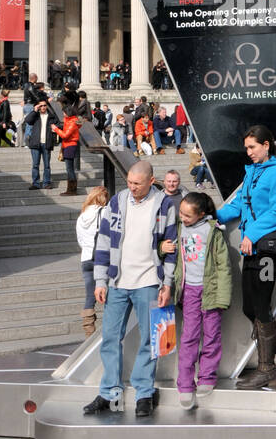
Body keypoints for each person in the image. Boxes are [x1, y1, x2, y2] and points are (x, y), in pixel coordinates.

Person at [83, 162, 177, 417]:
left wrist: (166, 283)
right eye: (129, 182)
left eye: (137, 183)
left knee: (151, 339)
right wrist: (100, 280)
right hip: (117, 282)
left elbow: (171, 247)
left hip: (149, 281)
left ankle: (144, 393)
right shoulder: (117, 201)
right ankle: (110, 392)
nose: (132, 187)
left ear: (151, 181)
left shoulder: (165, 205)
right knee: (110, 337)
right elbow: (103, 241)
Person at [216, 125, 276, 389]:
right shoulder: (253, 171)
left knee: (261, 306)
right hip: (253, 248)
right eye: (247, 148)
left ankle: (267, 369)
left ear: (267, 145)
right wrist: (211, 214)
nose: (249, 152)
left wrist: (250, 235)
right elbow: (240, 205)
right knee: (250, 308)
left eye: (253, 147)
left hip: (268, 249)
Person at [166, 191, 232, 407]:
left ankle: (207, 377)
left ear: (201, 214)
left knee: (212, 334)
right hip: (189, 291)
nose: (183, 218)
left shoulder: (212, 231)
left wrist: (223, 296)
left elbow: (224, 266)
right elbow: (164, 251)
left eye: (188, 216)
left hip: (210, 290)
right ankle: (185, 384)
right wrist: (161, 248)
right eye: (181, 214)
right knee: (189, 337)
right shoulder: (177, 228)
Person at [76, 186, 109, 336]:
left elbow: (80, 240)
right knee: (109, 293)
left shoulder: (82, 216)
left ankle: (88, 330)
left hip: (86, 258)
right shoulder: (104, 212)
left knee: (90, 296)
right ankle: (109, 328)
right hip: (101, 258)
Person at [25, 98, 57, 190]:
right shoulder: (35, 115)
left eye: (44, 105)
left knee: (47, 165)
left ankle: (46, 183)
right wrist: (34, 111)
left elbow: (59, 124)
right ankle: (36, 183)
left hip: (46, 143)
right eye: (41, 105)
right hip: (35, 143)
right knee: (35, 164)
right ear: (38, 106)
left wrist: (55, 128)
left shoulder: (51, 116)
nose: (43, 107)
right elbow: (28, 121)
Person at [51, 106, 82, 195]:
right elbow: (80, 123)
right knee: (70, 168)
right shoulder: (72, 120)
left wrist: (55, 129)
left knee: (69, 169)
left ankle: (72, 190)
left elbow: (65, 135)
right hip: (69, 145)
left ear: (68, 112)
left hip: (70, 145)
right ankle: (71, 189)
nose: (63, 114)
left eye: (64, 112)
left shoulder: (72, 122)